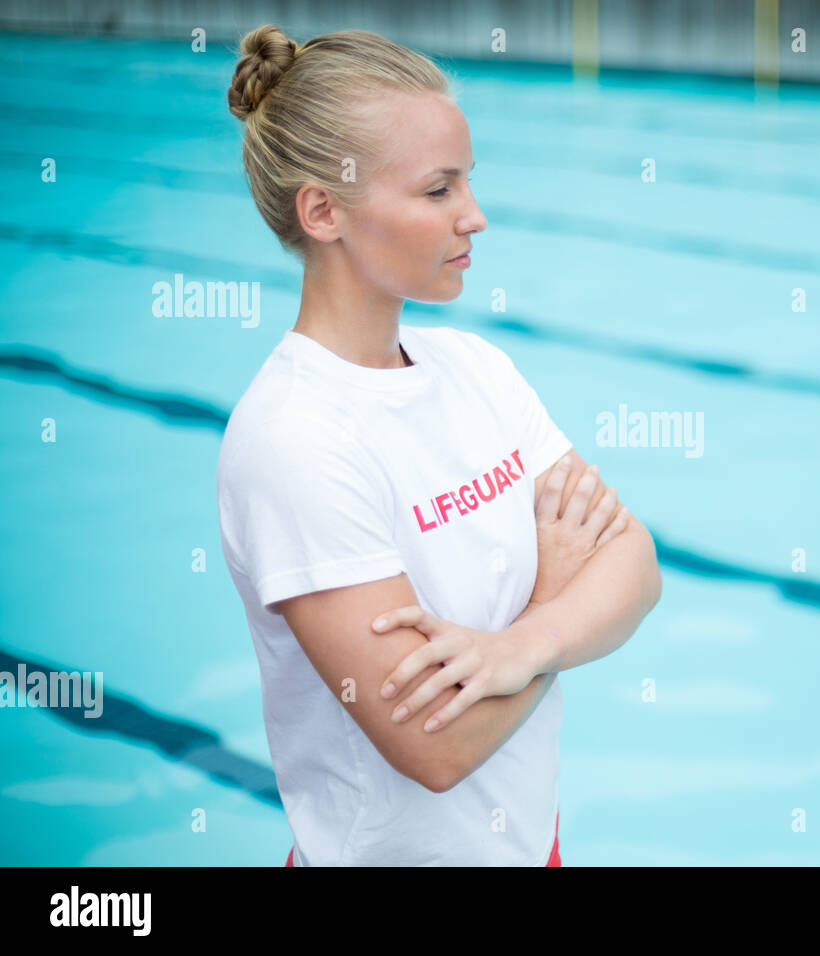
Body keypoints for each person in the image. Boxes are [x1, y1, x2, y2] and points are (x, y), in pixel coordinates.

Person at [215, 24, 662, 866]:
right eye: (437, 191)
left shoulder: (474, 368)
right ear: (324, 210)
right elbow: (434, 749)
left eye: (468, 183)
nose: (475, 216)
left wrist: (515, 647)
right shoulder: (292, 440)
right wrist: (559, 600)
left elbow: (637, 568)